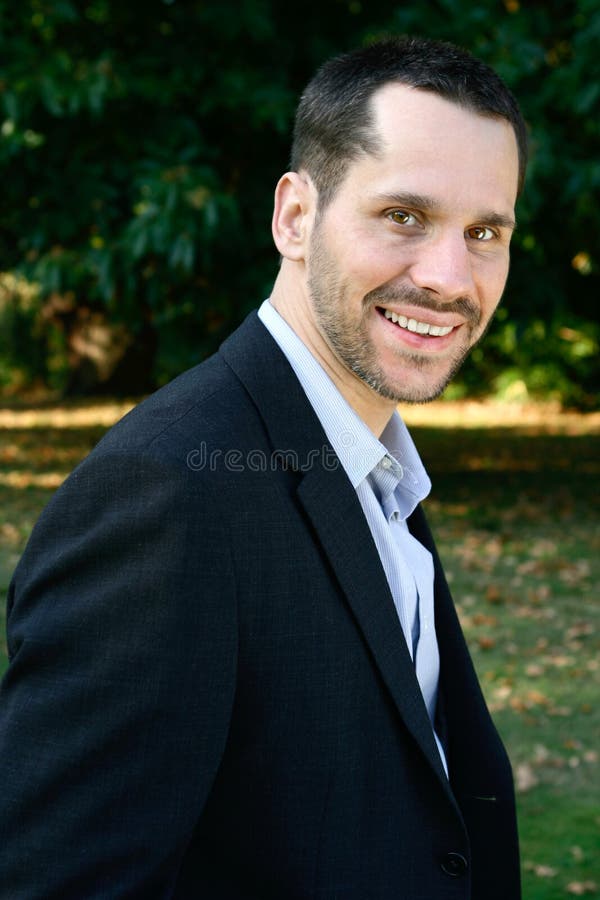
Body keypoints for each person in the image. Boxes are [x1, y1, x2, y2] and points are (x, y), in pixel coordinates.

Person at [0, 35, 527, 899]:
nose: (448, 276)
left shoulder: (372, 461)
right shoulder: (166, 495)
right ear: (294, 217)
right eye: (404, 216)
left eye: (484, 232)